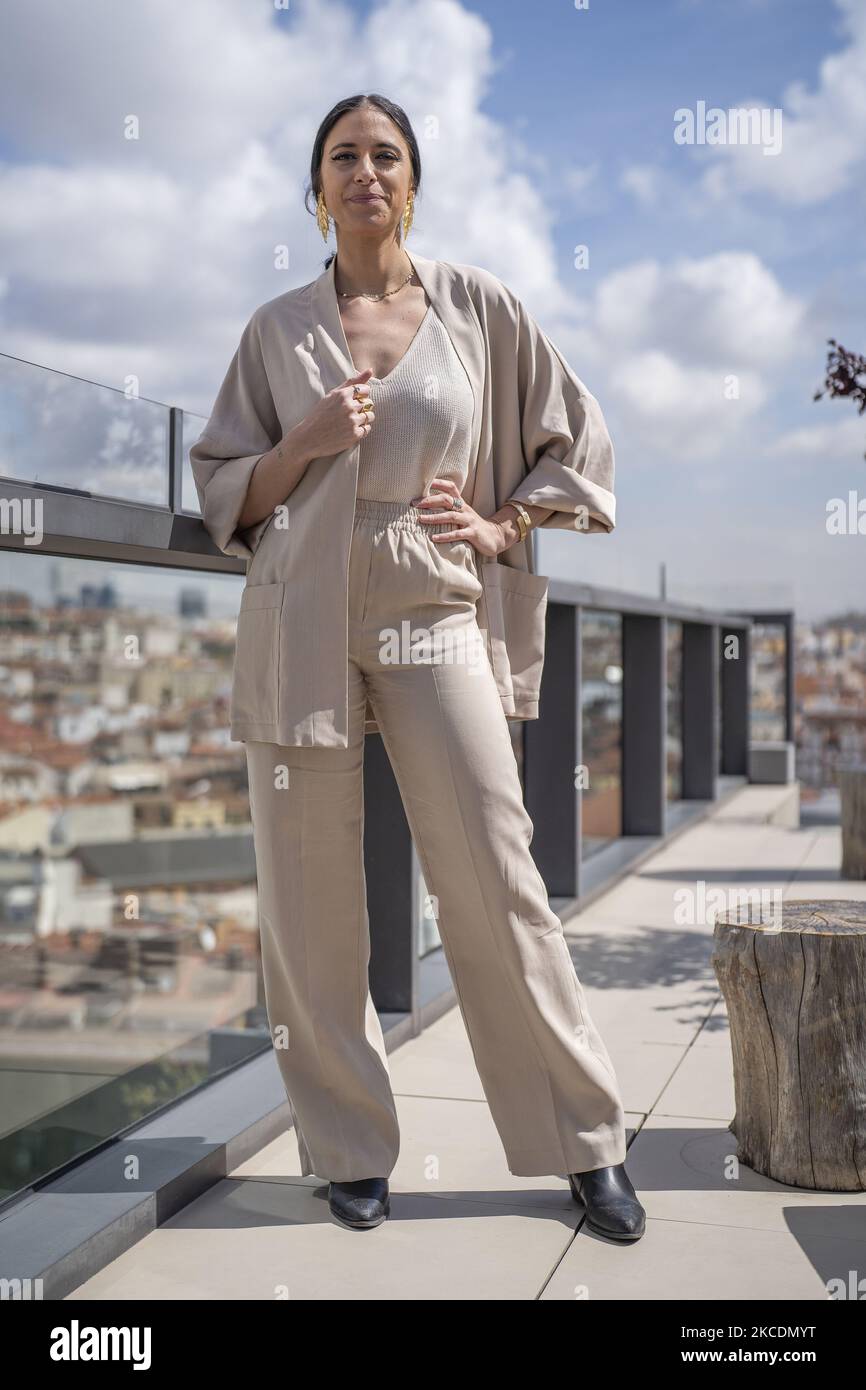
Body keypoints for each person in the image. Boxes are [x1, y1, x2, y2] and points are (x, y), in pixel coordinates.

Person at [191, 92, 646, 1242]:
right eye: (342, 156)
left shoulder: (478, 307)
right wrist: (300, 443)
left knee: (496, 871)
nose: (364, 172)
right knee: (307, 900)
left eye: (384, 154)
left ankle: (583, 1140)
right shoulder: (273, 326)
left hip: (431, 600)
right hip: (296, 606)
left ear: (412, 180)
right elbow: (218, 487)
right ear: (316, 188)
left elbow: (575, 439)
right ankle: (349, 1150)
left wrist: (500, 526)